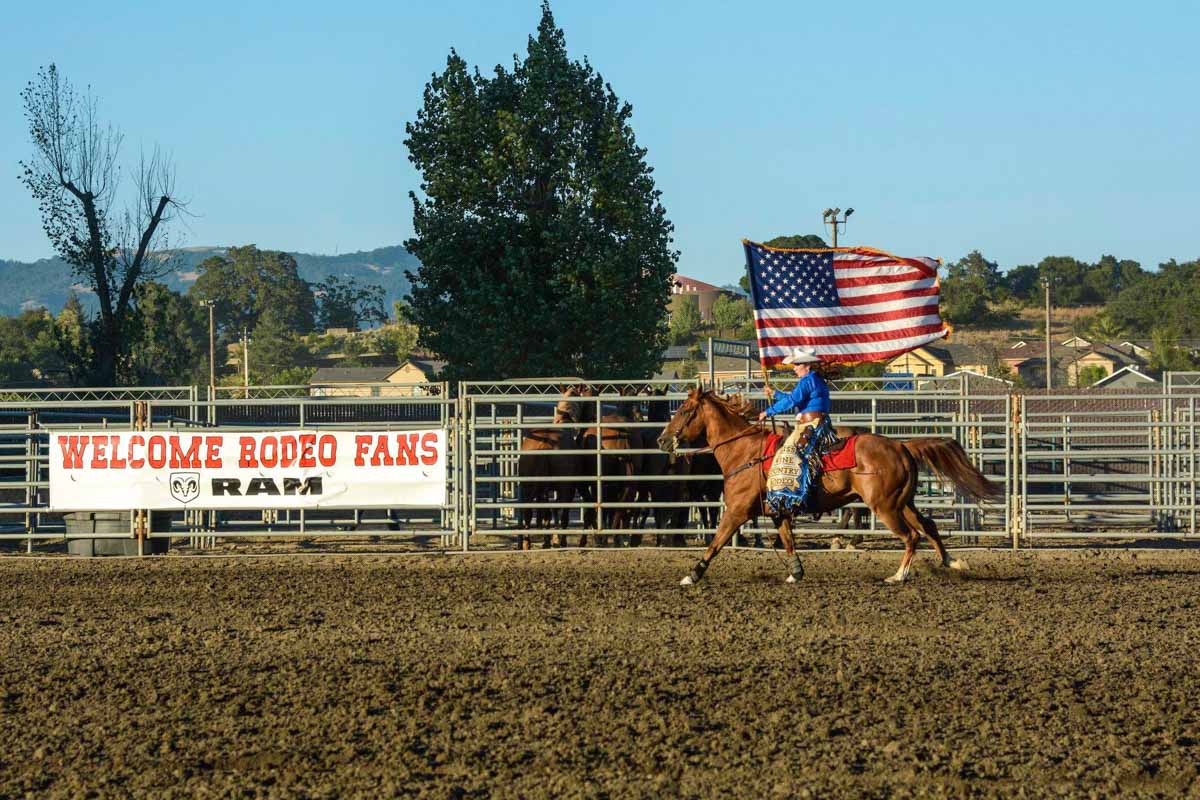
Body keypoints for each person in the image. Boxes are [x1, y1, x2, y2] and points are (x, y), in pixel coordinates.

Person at [758, 346, 836, 514]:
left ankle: (793, 494)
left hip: (811, 424)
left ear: (806, 365)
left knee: (789, 453)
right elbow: (795, 398)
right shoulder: (813, 380)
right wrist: (775, 393)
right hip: (814, 422)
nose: (794, 368)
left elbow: (792, 401)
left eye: (796, 365)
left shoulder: (807, 381)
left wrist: (768, 412)